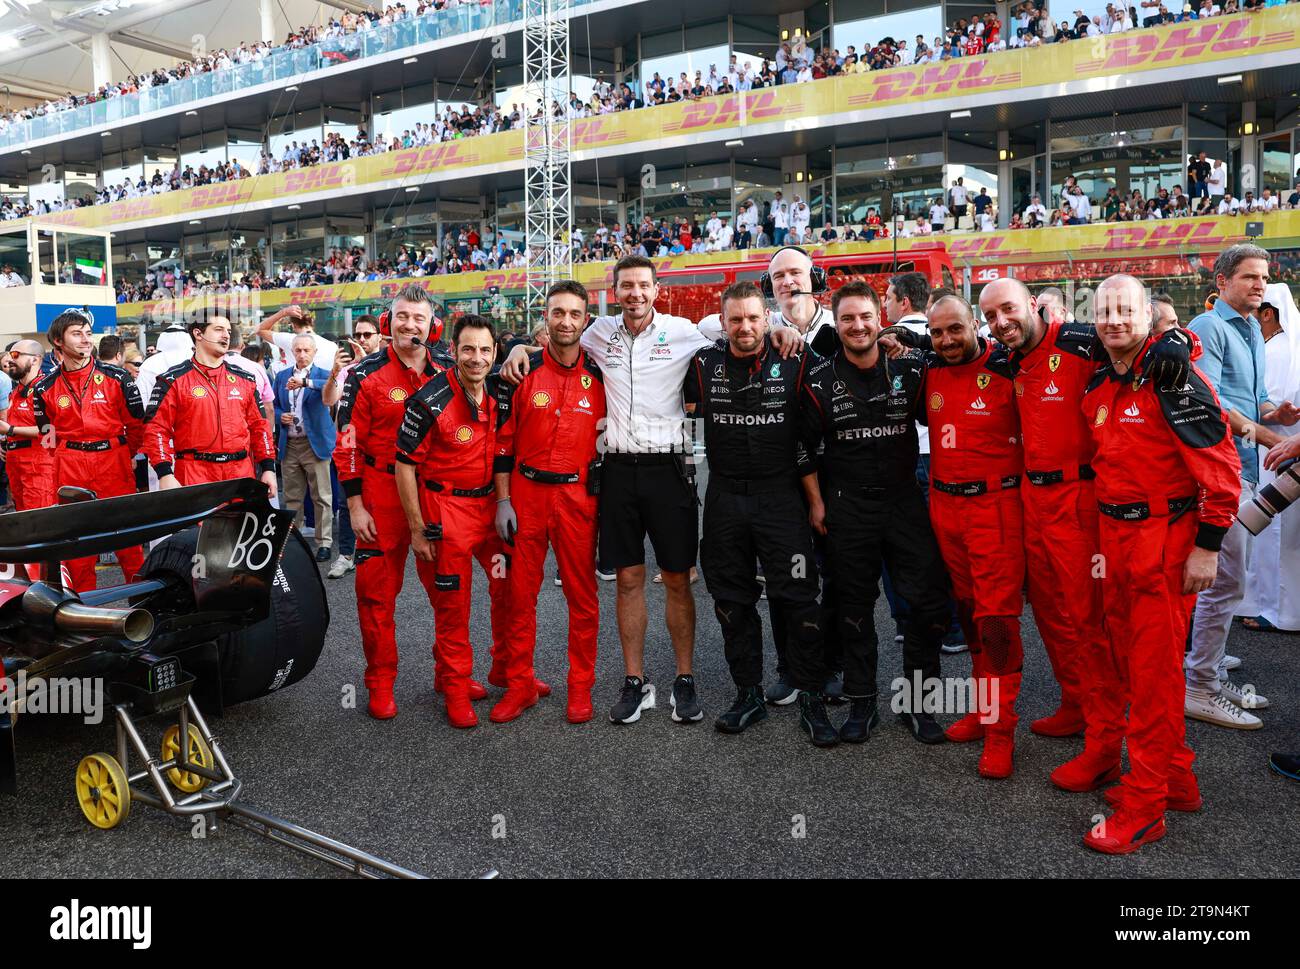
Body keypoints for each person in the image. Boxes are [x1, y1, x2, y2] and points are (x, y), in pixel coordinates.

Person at [500, 254, 802, 725]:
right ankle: (635, 681)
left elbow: (746, 326)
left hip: (669, 470)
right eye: (626, 287)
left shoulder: (685, 330)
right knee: (627, 580)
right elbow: (556, 335)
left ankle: (685, 679)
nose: (635, 294)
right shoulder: (598, 331)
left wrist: (784, 327)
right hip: (617, 471)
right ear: (614, 292)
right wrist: (520, 347)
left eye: (643, 286)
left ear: (656, 290)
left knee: (678, 580)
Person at [1081, 274, 1241, 854]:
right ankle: (1176, 780)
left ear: (1151, 317)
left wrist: (1207, 546)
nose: (1115, 320)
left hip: (1164, 543)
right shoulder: (1102, 379)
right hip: (1114, 539)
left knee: (1151, 678)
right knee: (1135, 666)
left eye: (1126, 310)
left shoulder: (1174, 378)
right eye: (1105, 312)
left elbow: (1222, 470)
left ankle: (1145, 805)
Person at [685, 281, 837, 746]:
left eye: (754, 318)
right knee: (732, 601)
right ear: (723, 321)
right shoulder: (702, 362)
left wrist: (816, 498)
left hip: (781, 499)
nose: (745, 327)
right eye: (736, 319)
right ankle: (747, 694)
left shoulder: (794, 358)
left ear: (767, 319)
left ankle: (811, 697)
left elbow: (823, 418)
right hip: (726, 499)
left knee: (798, 600)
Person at [801, 282, 950, 745]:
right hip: (847, 506)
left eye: (865, 316)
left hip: (905, 500)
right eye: (847, 318)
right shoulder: (819, 379)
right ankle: (862, 702)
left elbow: (958, 356)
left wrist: (919, 343)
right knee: (853, 607)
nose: (858, 325)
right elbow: (802, 449)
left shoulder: (909, 363)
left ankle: (920, 704)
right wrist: (817, 502)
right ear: (837, 323)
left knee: (924, 604)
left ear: (879, 318)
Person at [1185, 245, 1299, 728]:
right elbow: (1213, 406)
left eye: (1263, 277)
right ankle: (1200, 686)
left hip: (1244, 467)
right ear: (1222, 283)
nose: (1260, 284)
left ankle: (1206, 673)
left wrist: (1275, 413)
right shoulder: (1206, 329)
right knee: (1225, 581)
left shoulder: (1252, 327)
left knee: (1230, 581)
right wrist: (1273, 435)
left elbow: (1247, 400)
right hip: (1220, 471)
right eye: (1250, 277)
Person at [334, 286, 459, 720]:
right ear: (388, 324)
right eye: (402, 316)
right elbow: (346, 444)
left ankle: (451, 672)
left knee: (449, 588)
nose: (410, 325)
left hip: (434, 495)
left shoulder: (450, 369)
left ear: (433, 326)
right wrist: (354, 505)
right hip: (379, 495)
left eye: (419, 318)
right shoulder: (363, 374)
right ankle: (380, 681)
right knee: (375, 595)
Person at [491, 281, 605, 725]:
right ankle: (520, 685)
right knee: (519, 597)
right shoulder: (521, 372)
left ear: (585, 320)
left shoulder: (601, 373)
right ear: (547, 316)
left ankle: (581, 688)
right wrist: (503, 501)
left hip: (579, 497)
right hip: (526, 495)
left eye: (575, 314)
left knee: (583, 597)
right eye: (558, 313)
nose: (566, 322)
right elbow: (502, 445)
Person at [921, 296, 1026, 778]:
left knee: (997, 620)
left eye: (954, 330)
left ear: (974, 325)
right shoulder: (930, 370)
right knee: (967, 614)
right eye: (937, 333)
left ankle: (1002, 731)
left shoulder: (1009, 365)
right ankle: (986, 713)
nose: (946, 340)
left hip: (995, 507)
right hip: (944, 507)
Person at [395, 315, 513, 729]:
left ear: (495, 353)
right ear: (454, 352)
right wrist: (415, 528)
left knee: (508, 590)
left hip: (490, 509)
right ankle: (456, 688)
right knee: (453, 608)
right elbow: (404, 466)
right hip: (446, 513)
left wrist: (522, 350)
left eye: (485, 350)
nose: (476, 358)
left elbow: (548, 354)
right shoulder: (429, 399)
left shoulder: (502, 387)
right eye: (468, 349)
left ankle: (508, 673)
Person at [29, 310, 145, 592]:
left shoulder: (118, 377)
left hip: (113, 462)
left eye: (88, 334)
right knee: (78, 543)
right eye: (77, 334)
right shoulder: (43, 388)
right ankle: (84, 613)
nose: (85, 339)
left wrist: (121, 454)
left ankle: (144, 605)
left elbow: (137, 426)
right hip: (70, 466)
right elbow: (48, 435)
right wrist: (71, 455)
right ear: (58, 341)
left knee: (128, 540)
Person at [143, 315, 276, 492]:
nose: (226, 336)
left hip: (240, 474)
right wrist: (165, 473)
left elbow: (260, 427)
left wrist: (268, 468)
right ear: (198, 333)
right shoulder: (172, 380)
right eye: (218, 329)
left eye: (228, 331)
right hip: (194, 474)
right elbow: (156, 429)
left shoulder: (244, 379)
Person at [1241, 283, 1300, 633]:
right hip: (1288, 450)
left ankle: (1275, 611)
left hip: (1274, 453)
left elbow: (1258, 408)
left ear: (1268, 313)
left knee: (1271, 530)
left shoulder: (1272, 350)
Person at [323, 315, 386, 579]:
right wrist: (336, 372)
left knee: (380, 505)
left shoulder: (386, 367)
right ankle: (346, 555)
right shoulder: (348, 370)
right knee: (348, 502)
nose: (361, 340)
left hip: (377, 451)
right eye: (357, 335)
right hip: (348, 447)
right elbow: (328, 399)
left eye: (367, 335)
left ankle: (380, 555)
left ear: (380, 336)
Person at [274, 333, 337, 562]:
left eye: (306, 350)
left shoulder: (322, 375)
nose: (301, 354)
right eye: (297, 350)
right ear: (292, 352)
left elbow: (330, 388)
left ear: (314, 352)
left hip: (315, 443)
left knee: (322, 496)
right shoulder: (281, 376)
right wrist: (281, 416)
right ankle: (295, 542)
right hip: (289, 443)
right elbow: (275, 406)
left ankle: (324, 542)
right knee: (292, 497)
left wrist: (305, 382)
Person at [0, 340, 55, 519]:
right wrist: (6, 443)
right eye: (9, 355)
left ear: (35, 360)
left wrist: (11, 430)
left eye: (15, 355)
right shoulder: (16, 390)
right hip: (15, 464)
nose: (9, 360)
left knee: (38, 522)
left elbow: (51, 432)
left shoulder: (47, 388)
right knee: (23, 521)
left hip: (39, 465)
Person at [257, 303, 339, 372]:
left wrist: (283, 312)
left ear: (293, 325)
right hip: (324, 389)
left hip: (295, 387)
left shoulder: (289, 340)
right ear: (312, 322)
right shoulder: (332, 346)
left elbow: (259, 330)